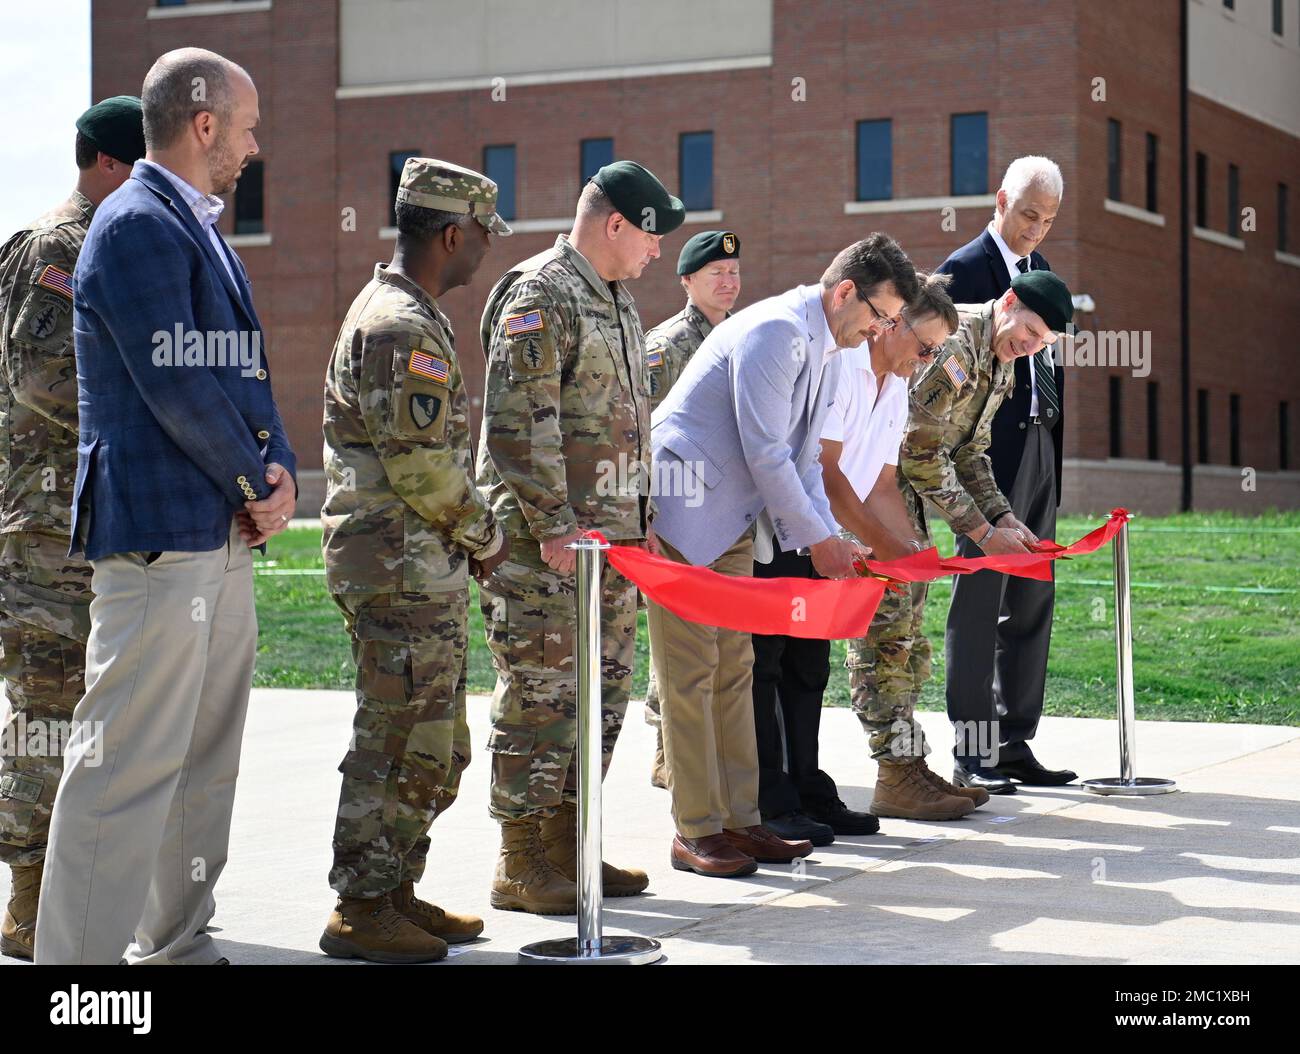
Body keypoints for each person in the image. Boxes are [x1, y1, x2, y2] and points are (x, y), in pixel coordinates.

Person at [35, 48, 297, 965]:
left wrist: (282, 472)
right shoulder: (135, 226)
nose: (256, 146)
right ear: (205, 123)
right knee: (124, 770)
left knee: (202, 761)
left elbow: (247, 376)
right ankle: (79, 982)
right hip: (159, 539)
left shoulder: (203, 230)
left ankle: (176, 946)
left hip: (218, 537)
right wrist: (252, 487)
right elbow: (175, 384)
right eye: (251, 126)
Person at [648, 234, 917, 878]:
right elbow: (765, 448)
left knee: (735, 668)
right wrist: (819, 541)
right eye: (878, 315)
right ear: (845, 291)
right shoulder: (777, 330)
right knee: (691, 675)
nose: (879, 331)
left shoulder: (826, 344)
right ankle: (695, 830)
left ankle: (742, 819)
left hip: (734, 516)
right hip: (685, 505)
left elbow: (799, 457)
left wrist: (830, 537)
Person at [318, 158, 512, 964]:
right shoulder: (400, 325)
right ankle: (361, 905)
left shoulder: (407, 314)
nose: (483, 256)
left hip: (413, 567)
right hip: (397, 569)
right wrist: (488, 537)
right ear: (451, 233)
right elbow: (424, 467)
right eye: (479, 239)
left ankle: (395, 887)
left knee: (435, 742)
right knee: (398, 738)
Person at [476, 161, 681, 914]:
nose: (658, 252)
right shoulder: (541, 294)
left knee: (602, 701)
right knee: (541, 699)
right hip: (545, 550)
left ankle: (569, 844)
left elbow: (627, 424)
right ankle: (520, 859)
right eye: (652, 236)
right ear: (615, 223)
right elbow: (517, 422)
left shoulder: (620, 303)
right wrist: (556, 526)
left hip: (612, 549)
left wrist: (644, 521)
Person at [0, 97, 145, 961]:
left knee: (80, 716)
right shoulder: (61, 246)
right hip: (46, 531)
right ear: (109, 166)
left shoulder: (76, 241)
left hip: (77, 524)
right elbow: (44, 380)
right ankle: (28, 898)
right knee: (48, 715)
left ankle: (70, 889)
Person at [899, 271, 1074, 799]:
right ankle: (943, 763)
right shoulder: (955, 346)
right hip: (887, 489)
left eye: (1043, 342)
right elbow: (919, 451)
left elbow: (970, 453)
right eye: (1031, 331)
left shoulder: (1004, 361)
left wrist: (1002, 517)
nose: (1031, 345)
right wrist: (978, 528)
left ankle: (983, 754)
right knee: (895, 636)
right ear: (1010, 301)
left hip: (928, 489)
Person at [824, 273, 988, 821]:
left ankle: (906, 764)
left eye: (936, 352)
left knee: (906, 643)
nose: (927, 361)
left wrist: (912, 550)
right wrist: (885, 550)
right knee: (864, 654)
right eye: (923, 347)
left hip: (856, 523)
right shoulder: (843, 368)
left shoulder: (894, 385)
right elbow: (828, 476)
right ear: (890, 323)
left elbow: (884, 483)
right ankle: (892, 773)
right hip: (808, 529)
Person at [936, 156, 1074, 793]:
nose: (1036, 230)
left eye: (1047, 220)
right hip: (986, 459)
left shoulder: (1041, 273)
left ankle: (1015, 740)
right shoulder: (964, 271)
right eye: (1028, 215)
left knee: (1030, 600)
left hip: (1041, 445)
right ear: (999, 201)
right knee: (981, 601)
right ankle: (974, 749)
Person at [643, 229, 741, 789]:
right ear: (687, 281)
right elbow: (648, 431)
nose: (728, 283)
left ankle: (701, 751)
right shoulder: (666, 344)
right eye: (715, 275)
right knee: (680, 637)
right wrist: (651, 514)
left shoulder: (739, 336)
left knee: (718, 636)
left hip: (724, 509)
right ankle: (666, 749)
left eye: (733, 273)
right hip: (679, 506)